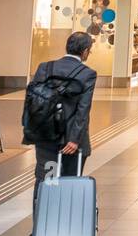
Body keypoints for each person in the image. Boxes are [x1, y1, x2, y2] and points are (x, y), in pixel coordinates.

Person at [23, 31, 96, 202]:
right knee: (68, 184)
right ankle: (64, 225)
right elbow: (83, 109)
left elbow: (33, 99)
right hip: (70, 142)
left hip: (44, 136)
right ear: (85, 51)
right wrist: (75, 139)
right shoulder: (87, 74)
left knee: (45, 182)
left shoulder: (45, 67)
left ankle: (41, 225)